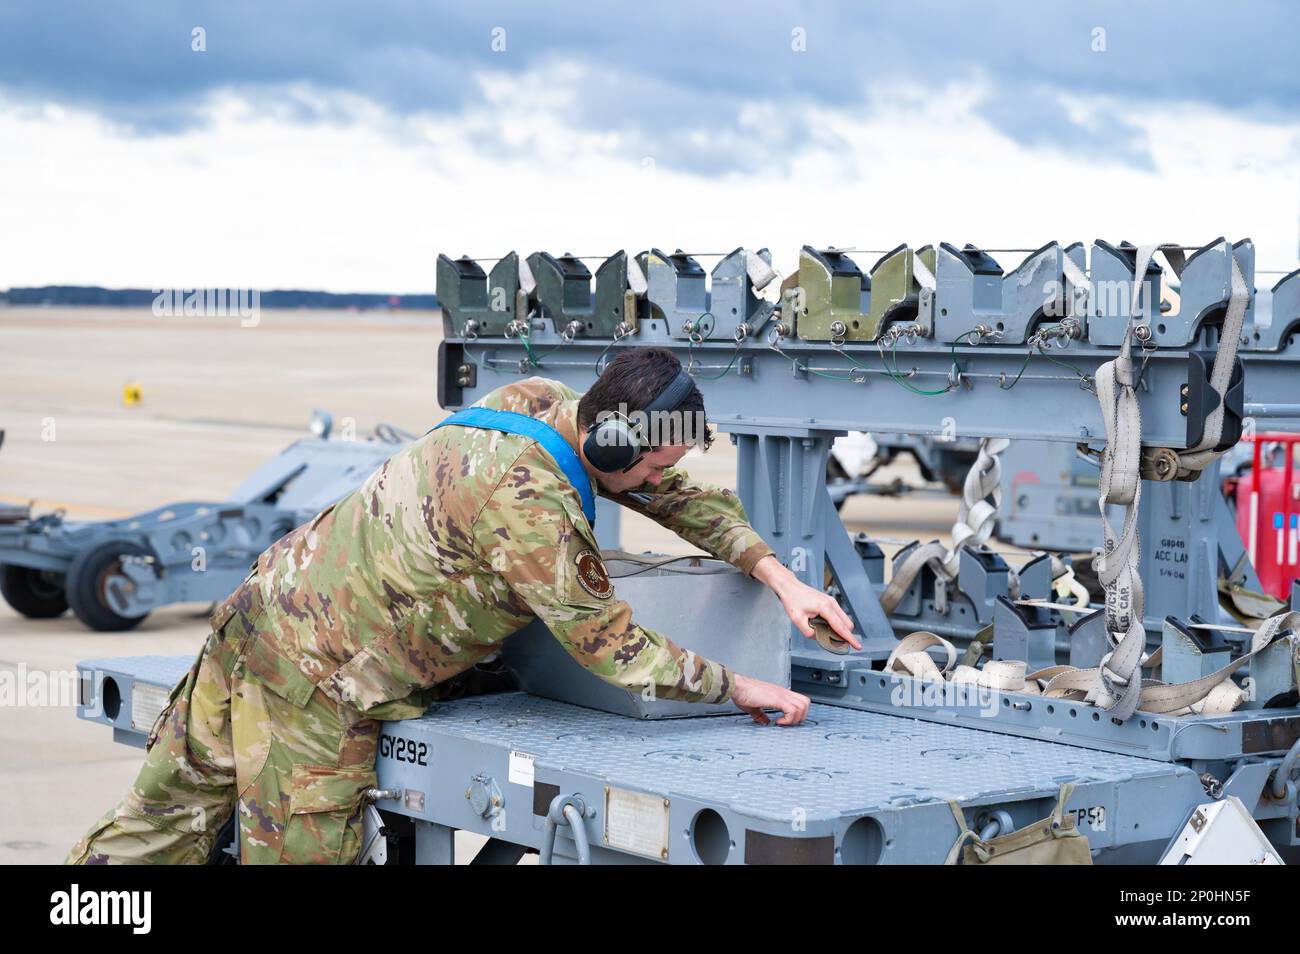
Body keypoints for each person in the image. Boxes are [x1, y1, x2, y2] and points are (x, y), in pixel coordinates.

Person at [68, 346, 857, 864]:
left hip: (261, 612)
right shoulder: (530, 506)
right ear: (616, 444)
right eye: (653, 463)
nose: (658, 482)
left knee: (156, 829)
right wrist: (743, 686)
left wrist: (777, 576)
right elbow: (614, 648)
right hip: (315, 685)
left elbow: (676, 496)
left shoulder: (543, 401)